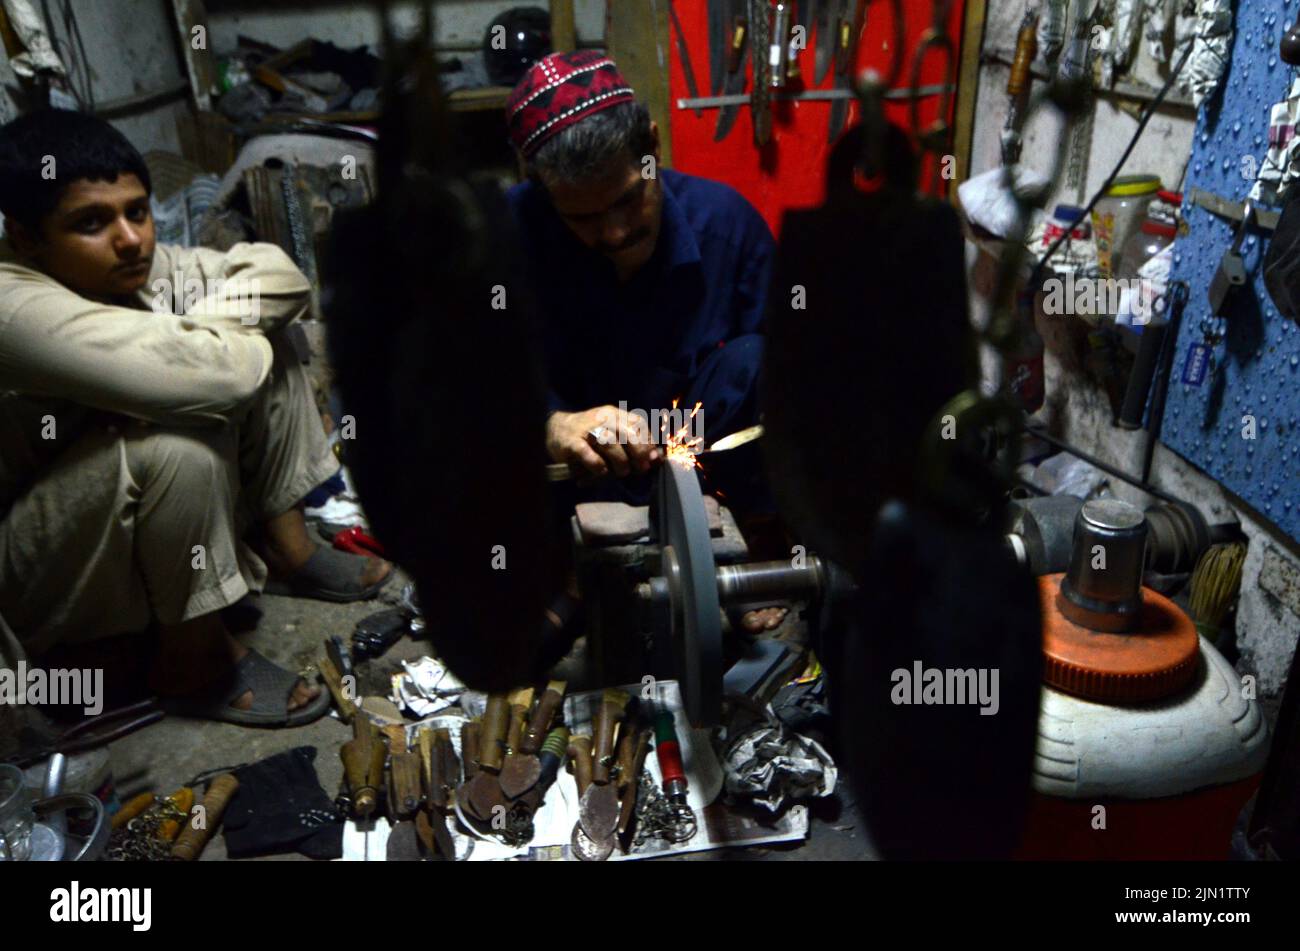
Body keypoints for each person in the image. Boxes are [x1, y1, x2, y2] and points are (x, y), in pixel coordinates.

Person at [0, 109, 391, 726]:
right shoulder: (11, 305)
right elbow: (220, 376)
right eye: (91, 223)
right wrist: (204, 351)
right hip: (32, 560)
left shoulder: (126, 261)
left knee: (266, 334)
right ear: (24, 236)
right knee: (180, 436)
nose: (130, 238)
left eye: (137, 210)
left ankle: (289, 552)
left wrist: (198, 339)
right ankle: (192, 660)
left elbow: (277, 273)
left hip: (111, 522)